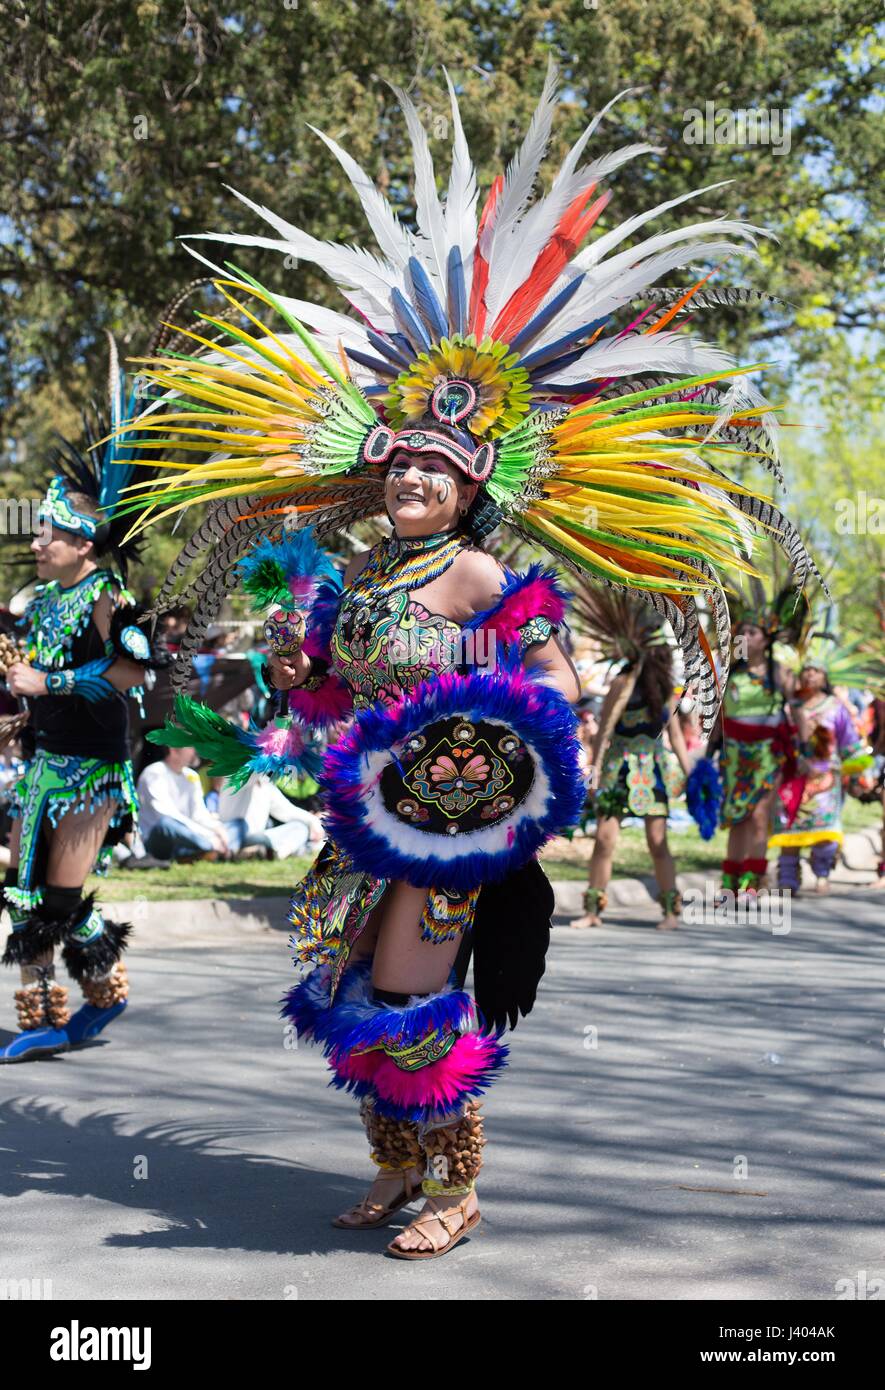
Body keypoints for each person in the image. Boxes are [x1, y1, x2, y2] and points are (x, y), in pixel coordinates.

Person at [118, 72, 818, 1256]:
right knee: (347, 994)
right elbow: (331, 692)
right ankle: (394, 1168)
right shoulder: (354, 577)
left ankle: (455, 1184)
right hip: (356, 814)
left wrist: (486, 762)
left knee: (408, 997)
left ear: (471, 488)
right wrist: (295, 670)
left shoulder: (488, 581)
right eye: (400, 469)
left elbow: (551, 688)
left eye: (434, 473)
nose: (410, 483)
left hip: (445, 821)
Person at [0, 346, 168, 1062]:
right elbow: (42, 679)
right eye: (36, 529)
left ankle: (88, 1001)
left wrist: (54, 685)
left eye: (48, 532)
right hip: (46, 762)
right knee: (25, 888)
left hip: (93, 773)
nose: (35, 541)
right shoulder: (43, 603)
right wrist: (22, 711)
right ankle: (64, 1006)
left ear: (84, 543)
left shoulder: (110, 598)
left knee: (55, 901)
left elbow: (137, 671)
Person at [568, 591, 693, 931]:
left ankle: (671, 910)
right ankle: (593, 909)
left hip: (652, 770)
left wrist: (691, 775)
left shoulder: (664, 689)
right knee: (605, 839)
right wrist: (592, 771)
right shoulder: (620, 683)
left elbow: (678, 737)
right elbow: (603, 732)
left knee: (657, 842)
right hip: (616, 769)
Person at [768, 630, 884, 893]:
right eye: (806, 670)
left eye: (816, 671)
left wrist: (856, 774)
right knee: (788, 827)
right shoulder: (789, 707)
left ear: (824, 678)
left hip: (825, 778)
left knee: (825, 832)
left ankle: (822, 873)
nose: (810, 675)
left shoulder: (835, 707)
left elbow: (849, 743)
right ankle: (788, 876)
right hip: (793, 774)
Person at [716, 583, 805, 899]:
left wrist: (805, 748)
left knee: (758, 816)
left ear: (766, 638)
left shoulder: (780, 674)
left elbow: (798, 712)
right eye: (744, 632)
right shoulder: (729, 673)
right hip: (735, 754)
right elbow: (716, 718)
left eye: (753, 632)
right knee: (736, 816)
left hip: (768, 752)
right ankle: (729, 883)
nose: (747, 637)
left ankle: (752, 882)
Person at [137, 746, 248, 861]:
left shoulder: (191, 775)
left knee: (240, 824)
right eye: (190, 746)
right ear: (173, 750)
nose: (195, 750)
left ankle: (206, 851)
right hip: (161, 840)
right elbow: (168, 816)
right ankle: (215, 849)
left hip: (193, 836)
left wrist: (218, 829)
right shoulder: (154, 773)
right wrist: (208, 836)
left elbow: (198, 814)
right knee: (165, 824)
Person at [215, 774, 324, 860]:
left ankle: (272, 853)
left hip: (259, 838)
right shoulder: (235, 777)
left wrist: (313, 820)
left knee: (300, 827)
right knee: (264, 839)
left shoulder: (265, 783)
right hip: (233, 836)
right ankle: (274, 851)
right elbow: (251, 770)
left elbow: (286, 811)